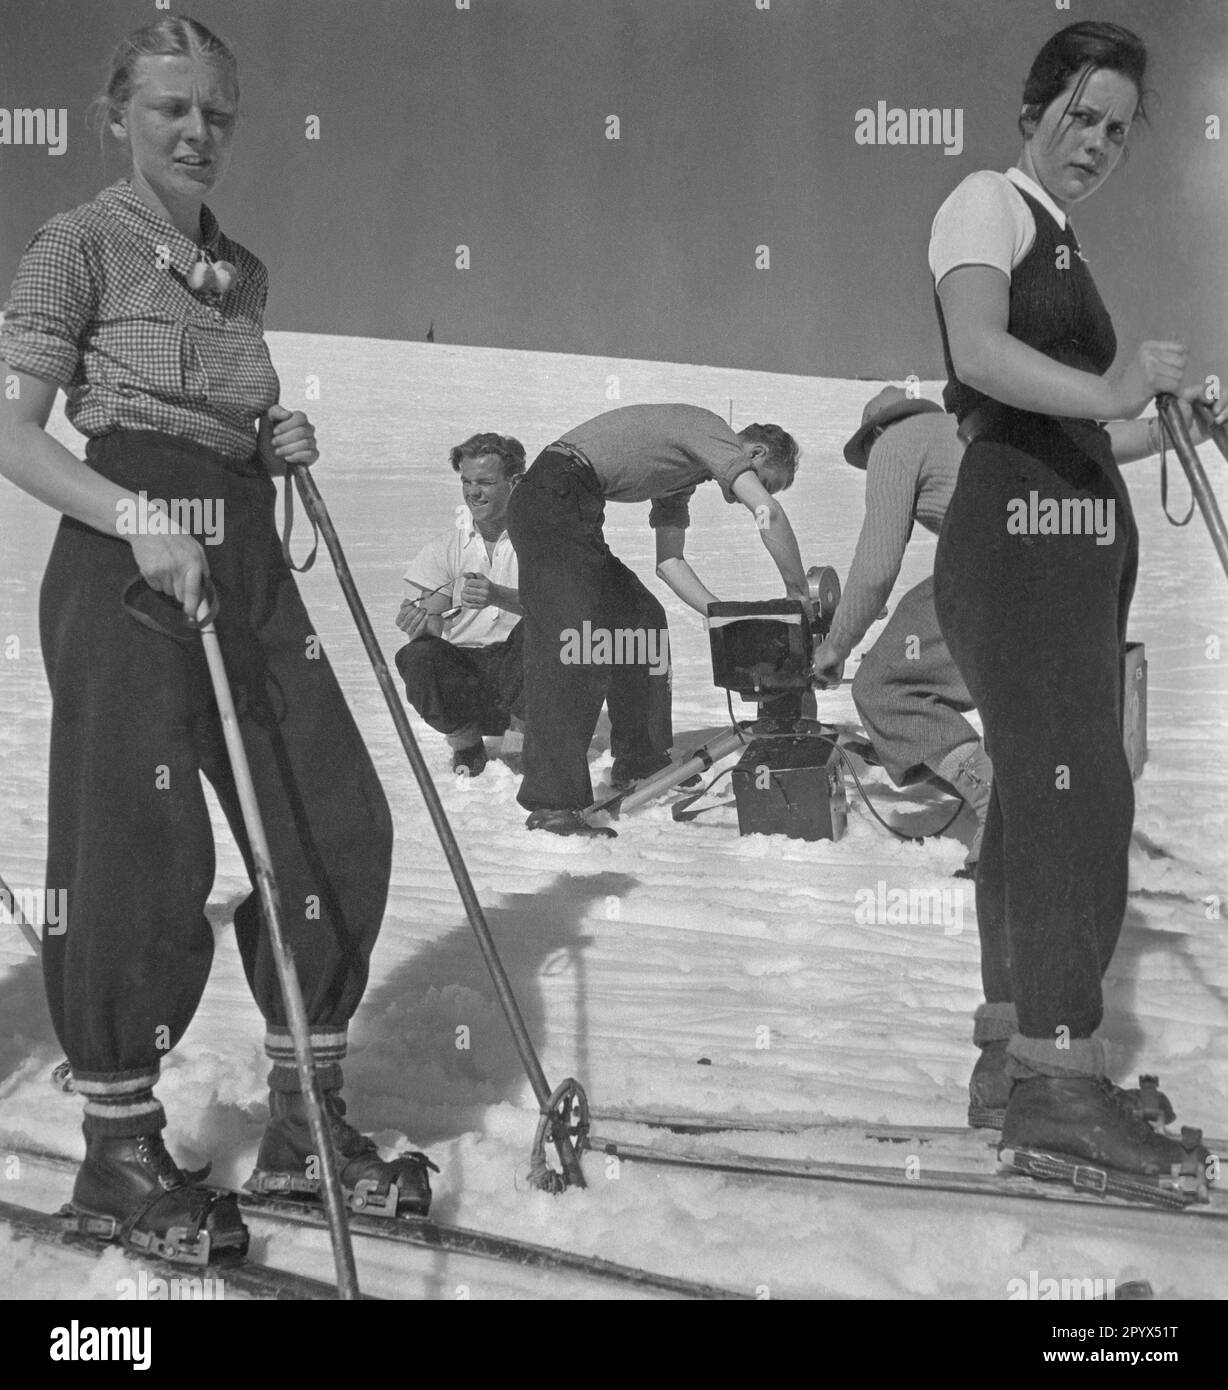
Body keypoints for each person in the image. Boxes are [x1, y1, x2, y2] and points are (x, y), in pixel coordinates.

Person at [0, 16, 435, 1265]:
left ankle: (305, 1124)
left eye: (218, 114)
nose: (198, 133)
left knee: (333, 815)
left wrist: (268, 445)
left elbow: (227, 415)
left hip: (239, 548)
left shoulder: (241, 273)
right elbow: (17, 434)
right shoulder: (75, 243)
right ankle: (120, 1149)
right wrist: (142, 517)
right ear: (118, 115)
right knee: (141, 842)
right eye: (171, 110)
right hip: (126, 546)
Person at [929, 20, 1225, 1173]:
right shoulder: (984, 203)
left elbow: (1085, 417)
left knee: (1033, 800)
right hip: (1014, 538)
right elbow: (977, 354)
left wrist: (1167, 425)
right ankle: (1059, 1077)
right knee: (1079, 792)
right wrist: (1108, 389)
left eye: (1115, 127)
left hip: (1062, 547)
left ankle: (1015, 1059)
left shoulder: (1063, 243)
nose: (1096, 141)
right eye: (1079, 115)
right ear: (1032, 110)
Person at [507, 403, 810, 836]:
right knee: (576, 645)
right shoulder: (713, 432)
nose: (761, 489)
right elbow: (767, 513)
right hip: (551, 497)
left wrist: (724, 617)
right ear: (756, 453)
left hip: (573, 509)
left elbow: (669, 562)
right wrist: (798, 594)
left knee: (640, 620)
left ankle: (641, 760)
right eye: (768, 481)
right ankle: (553, 802)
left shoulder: (683, 478)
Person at [811, 386, 991, 872]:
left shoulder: (894, 444)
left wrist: (836, 645)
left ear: (873, 436)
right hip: (1048, 563)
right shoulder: (947, 434)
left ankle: (998, 807)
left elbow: (876, 564)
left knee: (883, 685)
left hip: (995, 567)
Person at [394, 432, 526, 779]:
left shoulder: (541, 544)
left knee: (545, 627)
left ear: (514, 482)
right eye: (466, 481)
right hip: (469, 683)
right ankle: (466, 742)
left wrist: (499, 596)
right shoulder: (445, 549)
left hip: (528, 683)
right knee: (418, 655)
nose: (473, 492)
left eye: (485, 481)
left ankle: (523, 741)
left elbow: (565, 612)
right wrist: (418, 625)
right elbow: (432, 628)